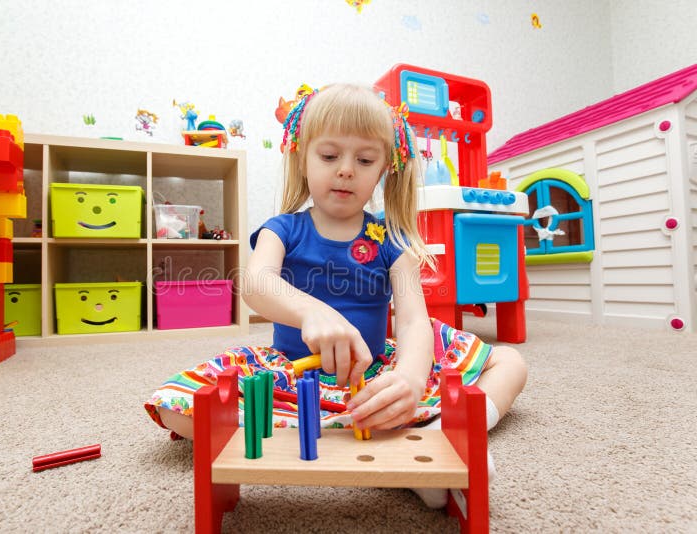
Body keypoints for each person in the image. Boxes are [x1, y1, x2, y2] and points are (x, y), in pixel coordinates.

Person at [144, 83, 527, 507]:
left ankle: (443, 433)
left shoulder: (391, 240)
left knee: (510, 362)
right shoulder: (284, 227)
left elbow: (414, 320)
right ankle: (387, 440)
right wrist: (311, 311)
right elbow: (255, 283)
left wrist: (410, 378)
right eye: (329, 156)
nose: (346, 170)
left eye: (364, 160)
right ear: (303, 157)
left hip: (375, 375)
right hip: (293, 376)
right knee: (173, 407)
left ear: (384, 169)